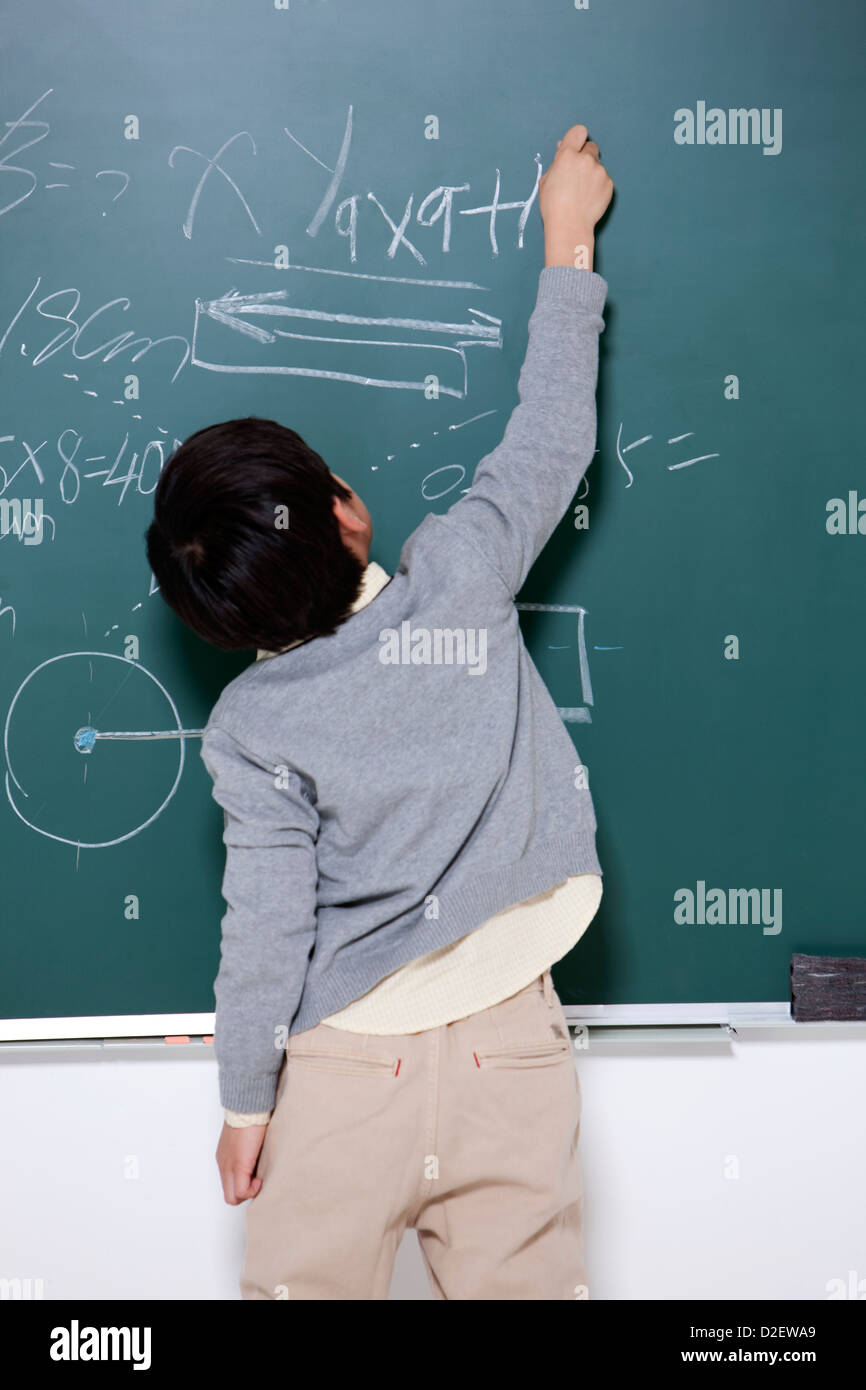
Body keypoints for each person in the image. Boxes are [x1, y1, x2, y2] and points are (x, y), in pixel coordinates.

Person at [145, 123, 614, 1299]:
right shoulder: (461, 573)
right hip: (512, 1038)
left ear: (225, 623)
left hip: (347, 1071)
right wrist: (567, 241)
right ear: (346, 512)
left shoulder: (253, 727)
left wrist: (247, 1103)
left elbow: (264, 927)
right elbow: (551, 435)